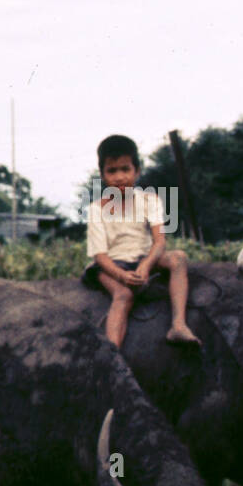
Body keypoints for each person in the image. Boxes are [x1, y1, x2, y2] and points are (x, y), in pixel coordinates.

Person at [83, 134, 200, 348]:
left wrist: (145, 266)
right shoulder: (96, 209)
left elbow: (159, 242)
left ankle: (178, 325)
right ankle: (113, 355)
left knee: (178, 258)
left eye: (125, 169)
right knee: (123, 295)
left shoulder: (150, 200)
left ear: (136, 171)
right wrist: (121, 275)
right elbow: (100, 255)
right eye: (112, 171)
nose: (119, 177)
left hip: (143, 259)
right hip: (111, 265)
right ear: (102, 174)